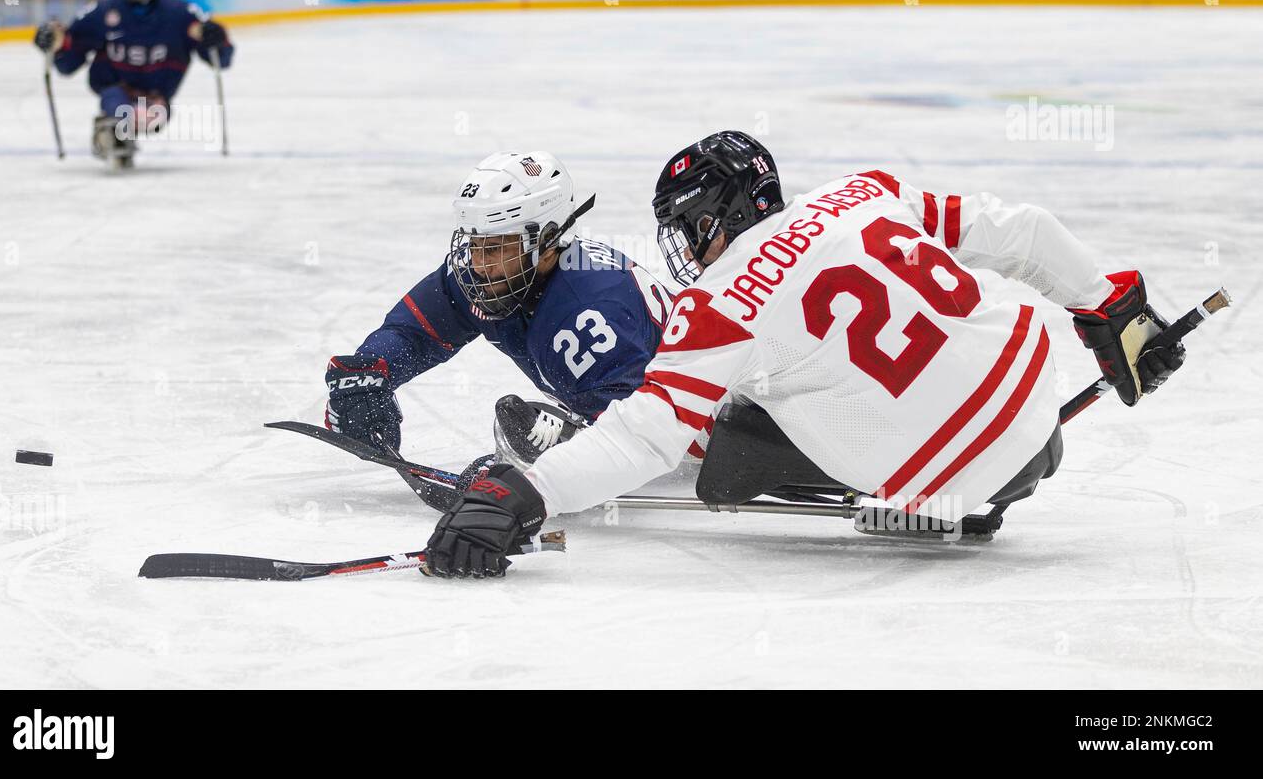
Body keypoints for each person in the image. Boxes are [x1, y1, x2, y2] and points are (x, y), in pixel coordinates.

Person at [422, 131, 1186, 578]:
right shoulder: (864, 191)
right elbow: (1019, 230)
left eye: (684, 228)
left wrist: (529, 493)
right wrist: (1110, 306)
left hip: (935, 480)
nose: (682, 249)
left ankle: (588, 444)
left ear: (713, 220)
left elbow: (645, 435)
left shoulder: (722, 302)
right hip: (1035, 412)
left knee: (724, 422)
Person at [324, 151, 676, 481]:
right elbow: (415, 333)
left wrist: (544, 463)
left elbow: (641, 441)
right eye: (474, 245)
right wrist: (371, 372)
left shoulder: (592, 312)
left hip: (709, 423)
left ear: (548, 238)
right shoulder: (497, 277)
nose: (478, 264)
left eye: (494, 247)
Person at [32, 0, 233, 168]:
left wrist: (216, 38)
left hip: (156, 99)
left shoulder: (179, 13)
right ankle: (113, 129)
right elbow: (68, 61)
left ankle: (117, 129)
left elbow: (221, 59)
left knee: (148, 115)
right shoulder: (102, 12)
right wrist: (54, 42)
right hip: (115, 91)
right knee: (119, 106)